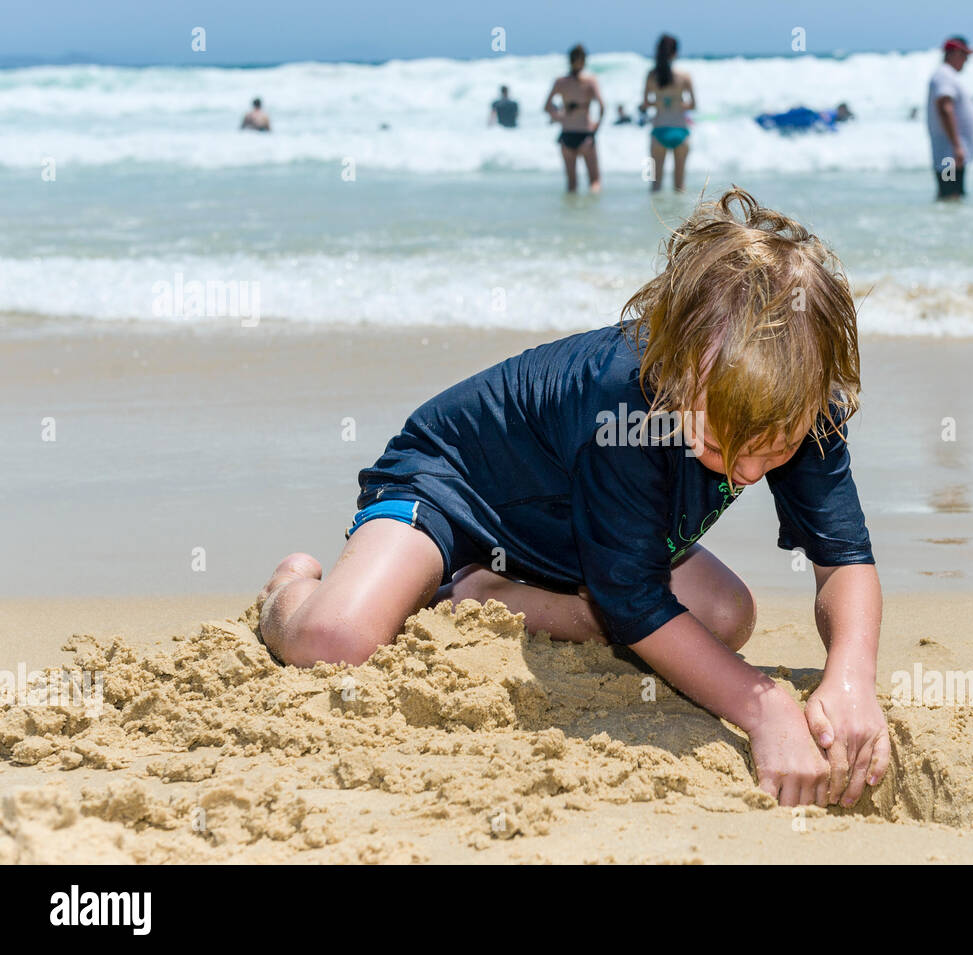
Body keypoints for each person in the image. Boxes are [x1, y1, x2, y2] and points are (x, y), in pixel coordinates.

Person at [255, 188, 888, 809]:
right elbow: (636, 604)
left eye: (774, 450)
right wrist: (763, 706)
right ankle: (292, 589)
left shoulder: (804, 408)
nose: (748, 473)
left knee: (725, 615)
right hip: (452, 490)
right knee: (335, 642)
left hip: (577, 544)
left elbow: (844, 558)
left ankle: (481, 593)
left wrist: (852, 677)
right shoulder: (625, 401)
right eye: (720, 445)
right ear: (677, 371)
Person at [926, 35, 973, 200]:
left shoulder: (946, 75)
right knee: (949, 195)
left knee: (952, 194)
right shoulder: (944, 75)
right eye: (964, 56)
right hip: (948, 155)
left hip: (951, 153)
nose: (966, 60)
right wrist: (956, 145)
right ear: (954, 53)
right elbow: (945, 108)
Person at [544, 45, 605, 193]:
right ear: (584, 61)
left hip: (566, 133)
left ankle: (571, 215)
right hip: (585, 132)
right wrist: (596, 127)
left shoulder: (560, 82)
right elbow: (602, 106)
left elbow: (547, 107)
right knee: (594, 182)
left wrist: (560, 118)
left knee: (571, 184)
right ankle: (593, 214)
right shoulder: (590, 81)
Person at [643, 34, 695, 193]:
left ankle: (655, 217)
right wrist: (678, 103)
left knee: (654, 184)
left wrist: (660, 102)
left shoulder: (651, 75)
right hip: (680, 131)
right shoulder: (684, 76)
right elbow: (693, 105)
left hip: (658, 130)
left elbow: (645, 104)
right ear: (675, 52)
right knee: (680, 187)